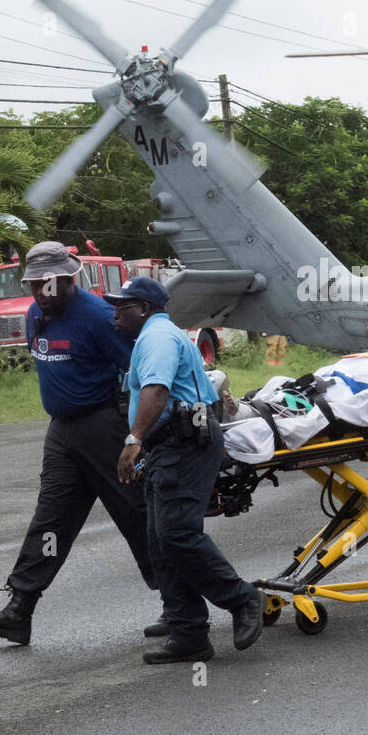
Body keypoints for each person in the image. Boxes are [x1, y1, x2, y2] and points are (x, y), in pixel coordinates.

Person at [0, 242, 160, 646]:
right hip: (63, 433)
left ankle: (180, 607)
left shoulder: (101, 317)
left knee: (137, 514)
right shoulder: (37, 312)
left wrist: (136, 434)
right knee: (50, 520)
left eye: (50, 283)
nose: (42, 292)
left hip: (104, 427)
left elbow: (144, 369)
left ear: (70, 278)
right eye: (36, 284)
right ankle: (19, 610)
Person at [111, 276, 262, 664]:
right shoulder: (155, 335)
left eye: (122, 307)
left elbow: (157, 391)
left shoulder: (157, 338)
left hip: (184, 441)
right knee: (161, 540)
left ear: (143, 309)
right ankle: (188, 631)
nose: (115, 314)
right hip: (173, 442)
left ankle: (243, 599)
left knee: (177, 534)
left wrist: (133, 441)